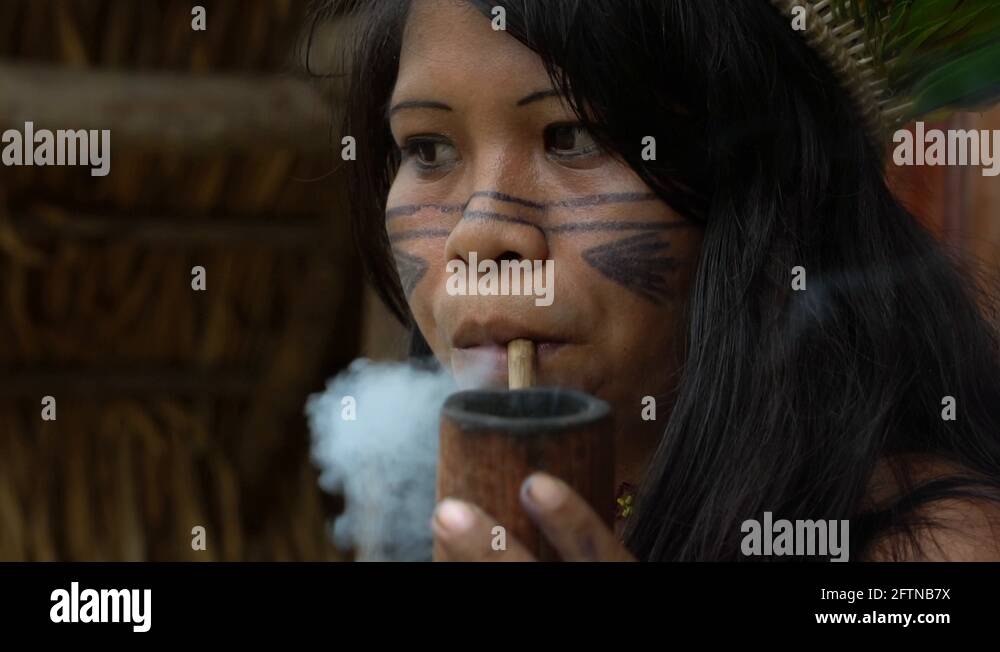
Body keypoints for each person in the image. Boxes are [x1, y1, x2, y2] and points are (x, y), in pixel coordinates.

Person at [319, 0, 1000, 561]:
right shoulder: (419, 507)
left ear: (760, 192)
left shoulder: (931, 549)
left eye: (574, 136)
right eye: (428, 149)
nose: (479, 235)